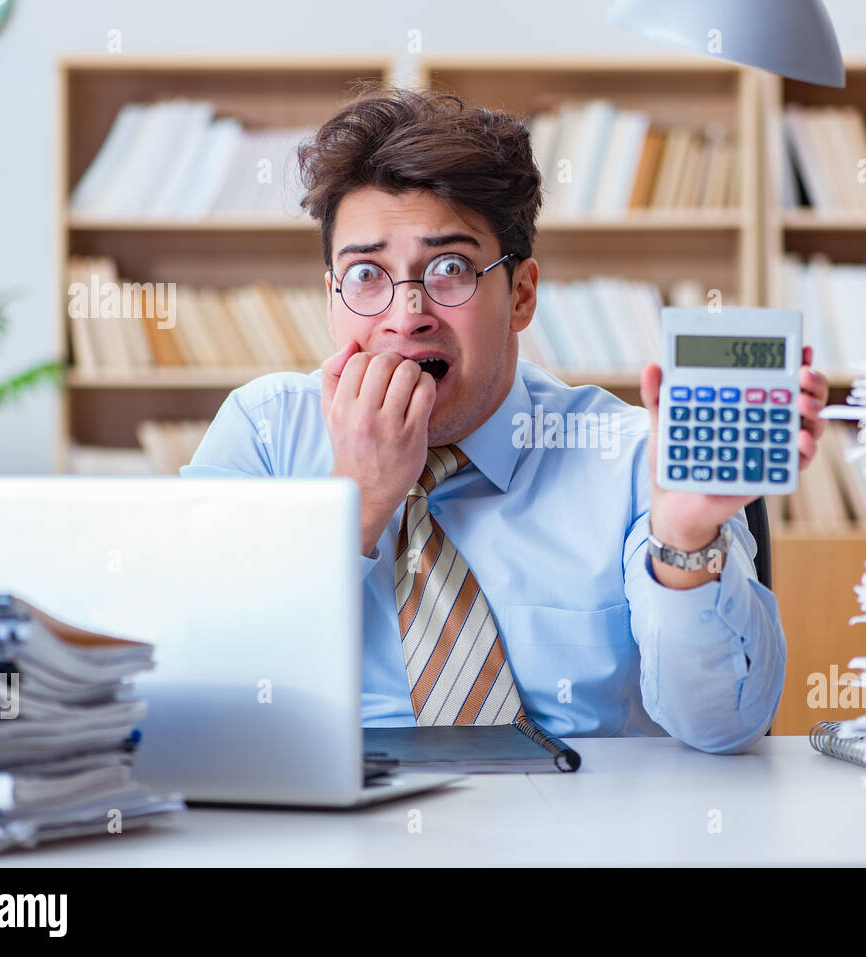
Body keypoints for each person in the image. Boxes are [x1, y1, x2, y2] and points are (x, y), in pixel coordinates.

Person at [182, 84, 830, 754]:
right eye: (368, 275)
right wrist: (358, 500)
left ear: (521, 295)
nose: (408, 314)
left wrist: (685, 539)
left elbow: (724, 727)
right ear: (331, 300)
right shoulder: (262, 436)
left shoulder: (629, 457)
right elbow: (197, 685)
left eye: (450, 267)